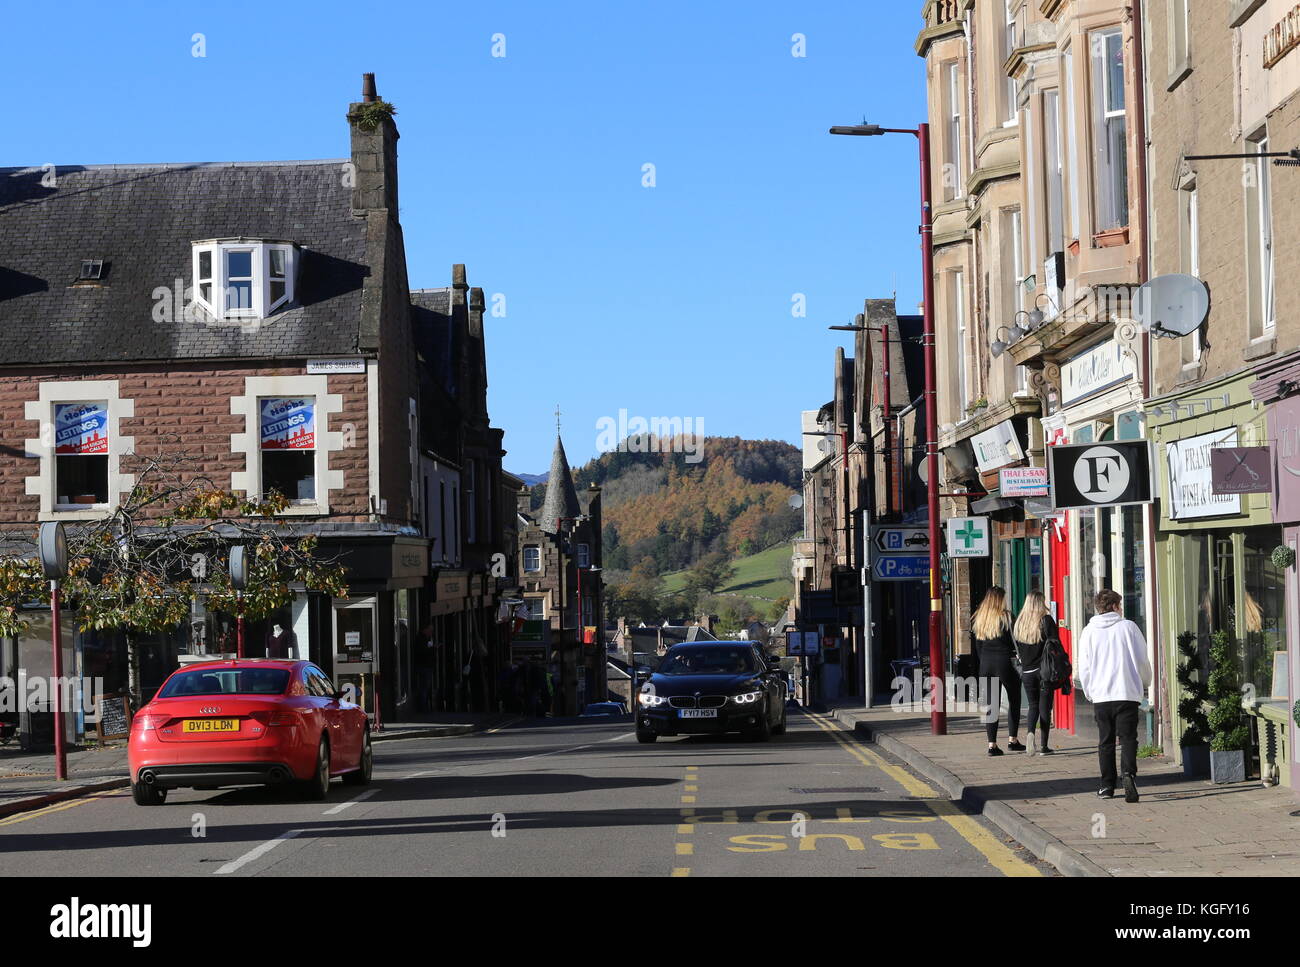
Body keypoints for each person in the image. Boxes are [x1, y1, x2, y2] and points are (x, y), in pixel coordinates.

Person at [1076, 588, 1151, 803]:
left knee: (1105, 741)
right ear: (1116, 606)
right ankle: (1128, 774)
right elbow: (1142, 660)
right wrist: (1145, 683)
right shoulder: (1129, 627)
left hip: (1101, 695)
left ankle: (1107, 786)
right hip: (1126, 692)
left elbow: (1085, 667)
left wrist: (1090, 692)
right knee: (1128, 738)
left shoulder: (1088, 631)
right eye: (1120, 605)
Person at [971, 586, 1023, 756]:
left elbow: (977, 646)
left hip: (986, 664)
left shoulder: (979, 618)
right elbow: (1014, 641)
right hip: (1004, 662)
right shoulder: (1007, 617)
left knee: (991, 706)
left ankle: (992, 745)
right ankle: (1012, 740)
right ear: (1000, 599)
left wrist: (984, 661)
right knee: (1014, 700)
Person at [1012, 590, 1059, 756]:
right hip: (1044, 671)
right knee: (1045, 708)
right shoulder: (1045, 620)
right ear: (1041, 603)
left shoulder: (1019, 623)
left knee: (1033, 706)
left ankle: (1030, 732)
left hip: (1027, 672)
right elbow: (1056, 644)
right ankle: (1044, 746)